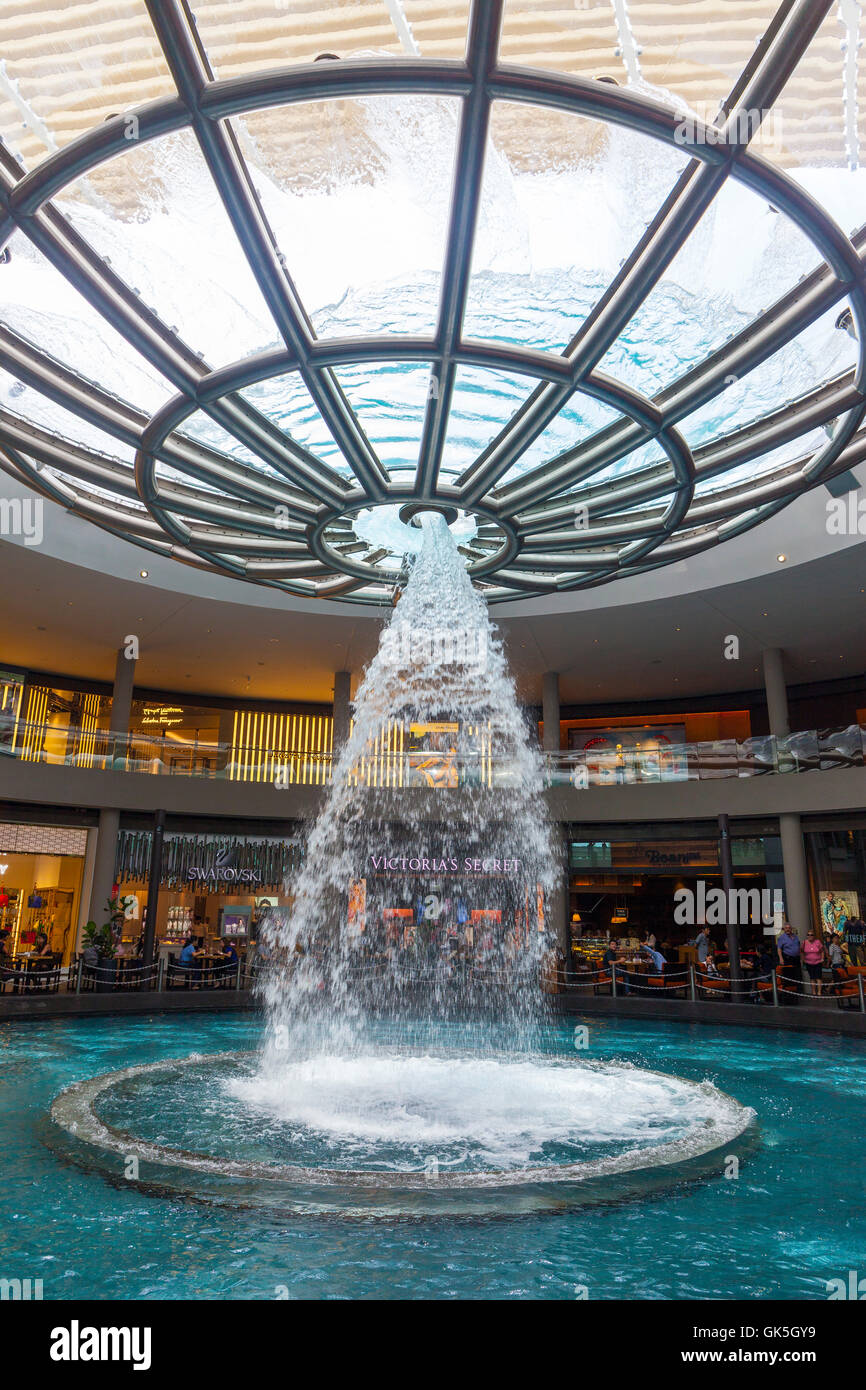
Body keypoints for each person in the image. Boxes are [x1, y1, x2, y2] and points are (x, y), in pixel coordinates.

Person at [777, 921, 802, 1002]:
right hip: (787, 959)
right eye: (786, 928)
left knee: (797, 975)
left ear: (791, 929)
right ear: (784, 929)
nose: (788, 929)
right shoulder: (782, 937)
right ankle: (789, 995)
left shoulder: (795, 936)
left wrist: (801, 957)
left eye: (789, 928)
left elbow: (798, 947)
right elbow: (779, 949)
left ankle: (797, 993)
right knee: (789, 977)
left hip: (796, 959)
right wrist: (781, 958)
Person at [802, 927, 827, 997]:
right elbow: (801, 951)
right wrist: (803, 959)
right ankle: (813, 992)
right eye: (808, 935)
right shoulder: (804, 942)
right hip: (809, 963)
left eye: (811, 935)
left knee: (818, 977)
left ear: (814, 936)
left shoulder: (817, 942)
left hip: (817, 962)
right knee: (812, 978)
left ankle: (819, 992)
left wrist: (822, 958)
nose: (810, 936)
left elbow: (822, 951)